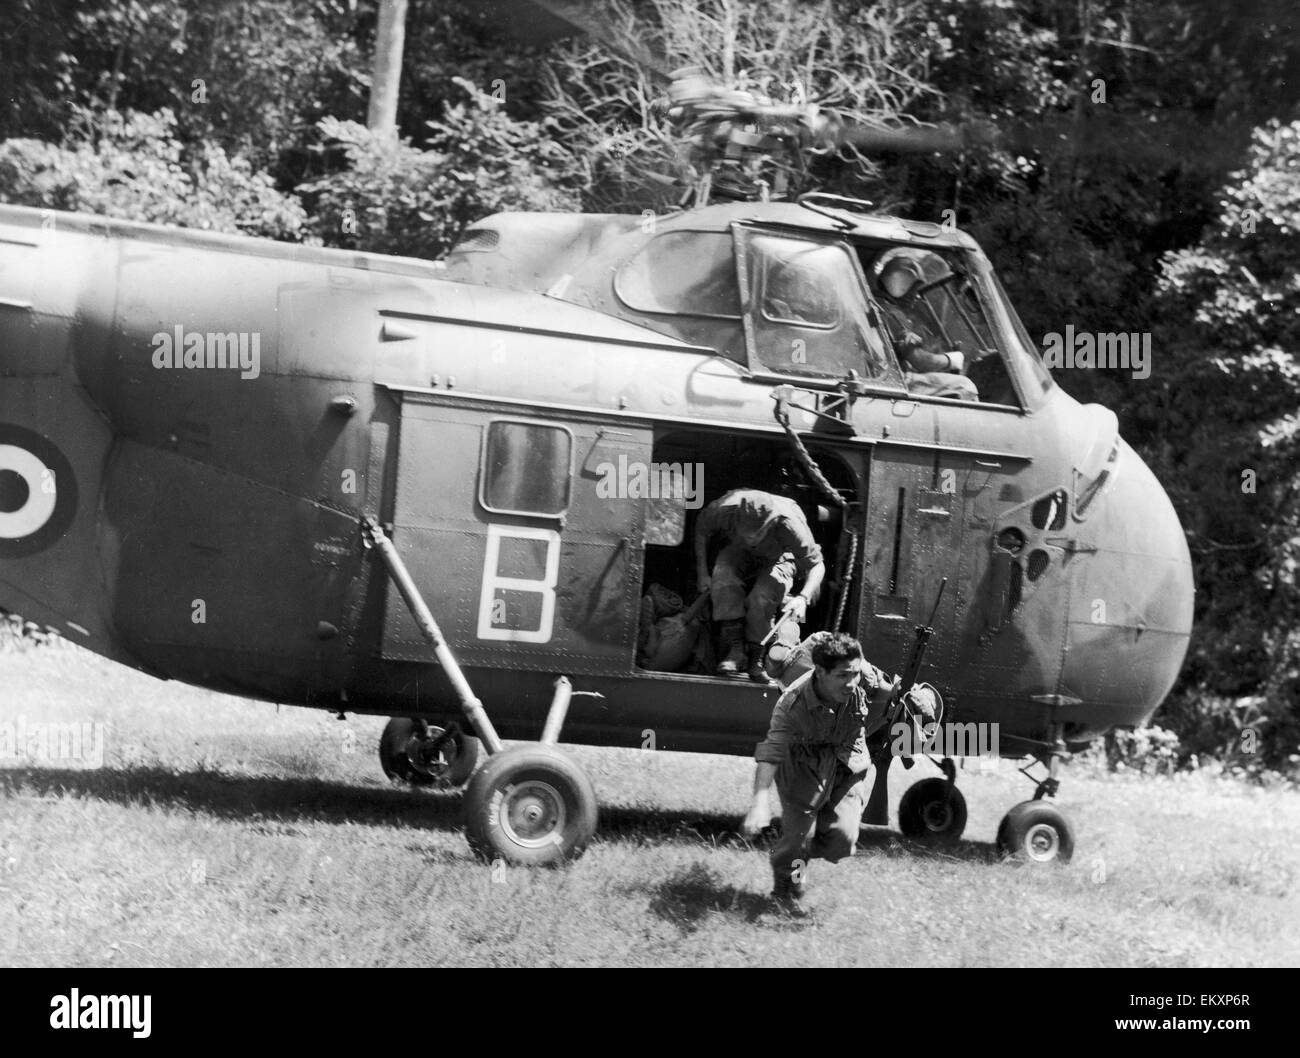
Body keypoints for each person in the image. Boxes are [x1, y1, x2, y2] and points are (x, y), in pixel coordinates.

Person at [740, 633, 933, 911]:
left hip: (847, 758)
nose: (853, 683)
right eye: (843, 676)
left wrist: (911, 698)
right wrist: (759, 803)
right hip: (802, 763)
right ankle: (787, 889)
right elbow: (771, 752)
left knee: (841, 843)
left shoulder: (862, 675)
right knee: (796, 840)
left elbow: (892, 692)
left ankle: (798, 852)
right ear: (820, 672)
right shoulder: (792, 704)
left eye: (855, 674)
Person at [694, 488, 825, 683]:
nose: (752, 538)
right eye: (747, 532)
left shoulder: (789, 523)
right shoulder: (722, 510)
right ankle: (735, 650)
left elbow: (817, 565)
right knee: (723, 575)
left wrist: (802, 598)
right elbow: (701, 531)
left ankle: (757, 659)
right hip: (740, 551)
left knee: (762, 596)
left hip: (780, 556)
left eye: (758, 533)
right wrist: (702, 573)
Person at [876, 256, 979, 401]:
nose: (917, 296)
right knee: (964, 386)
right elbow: (922, 362)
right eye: (914, 289)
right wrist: (953, 359)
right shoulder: (892, 313)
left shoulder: (877, 306)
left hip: (885, 379)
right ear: (899, 285)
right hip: (897, 381)